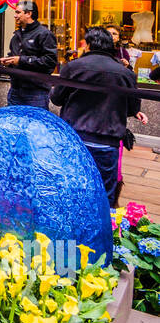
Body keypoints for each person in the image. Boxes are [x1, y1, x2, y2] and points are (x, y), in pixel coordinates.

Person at [51, 26, 148, 203]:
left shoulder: (73, 67)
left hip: (75, 138)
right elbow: (133, 107)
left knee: (72, 192)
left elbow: (57, 98)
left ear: (88, 44)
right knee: (104, 196)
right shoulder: (126, 73)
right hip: (107, 142)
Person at [1, 0, 58, 107]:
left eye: (18, 12)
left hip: (36, 92)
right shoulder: (16, 36)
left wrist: (20, 60)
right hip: (15, 90)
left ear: (28, 13)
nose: (15, 16)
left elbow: (50, 62)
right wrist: (9, 61)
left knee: (36, 123)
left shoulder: (44, 34)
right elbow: (14, 55)